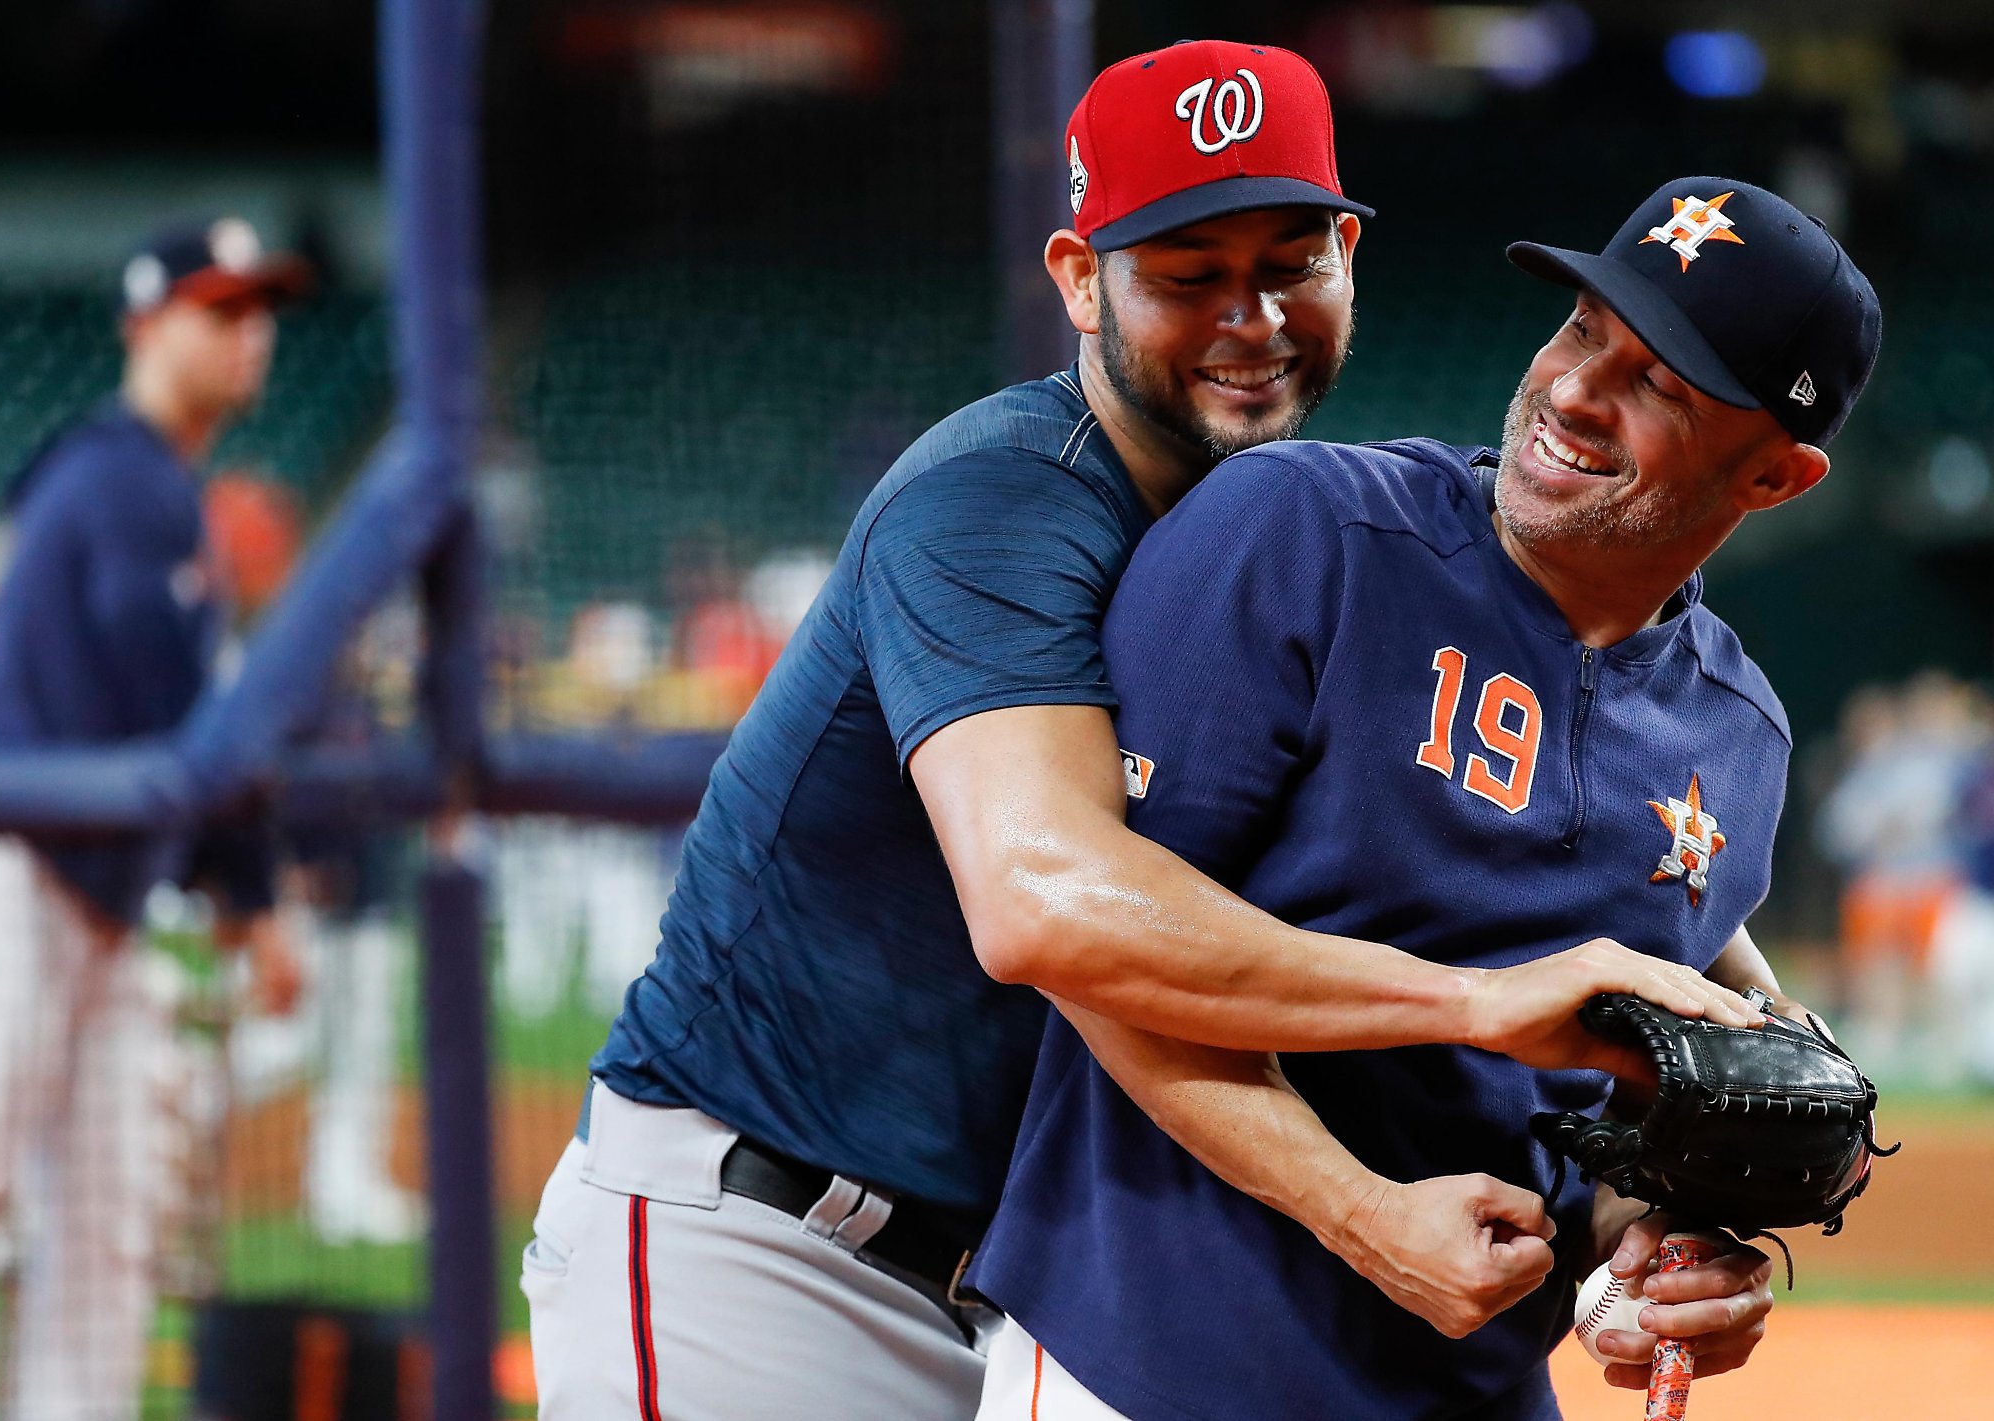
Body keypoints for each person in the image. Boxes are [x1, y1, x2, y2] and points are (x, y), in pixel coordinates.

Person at [525, 43, 1763, 1421]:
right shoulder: (998, 505)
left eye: (1290, 262)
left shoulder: (1325, 550)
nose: (1250, 316)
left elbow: (1640, 902)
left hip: (1022, 1283)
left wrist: (1707, 1097)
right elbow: (1046, 907)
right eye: (1186, 275)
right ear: (1077, 279)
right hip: (769, 1245)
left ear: (1351, 253)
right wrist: (1471, 1008)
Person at [966, 176, 1882, 1421]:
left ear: (1773, 476)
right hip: (1160, 1358)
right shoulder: (1304, 533)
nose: (1569, 391)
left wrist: (1655, 1248)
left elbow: (1590, 1114)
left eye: (1657, 382)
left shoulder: (1738, 736)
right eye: (1578, 330)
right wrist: (1359, 1213)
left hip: (1472, 1385)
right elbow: (1099, 954)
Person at [0, 217, 307, 1421]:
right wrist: (252, 899)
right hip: (19, 887)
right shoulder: (121, 478)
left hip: (96, 907)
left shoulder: (148, 483)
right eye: (220, 309)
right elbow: (187, 719)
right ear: (144, 326)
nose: (249, 332)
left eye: (259, 309)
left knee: (106, 1235)